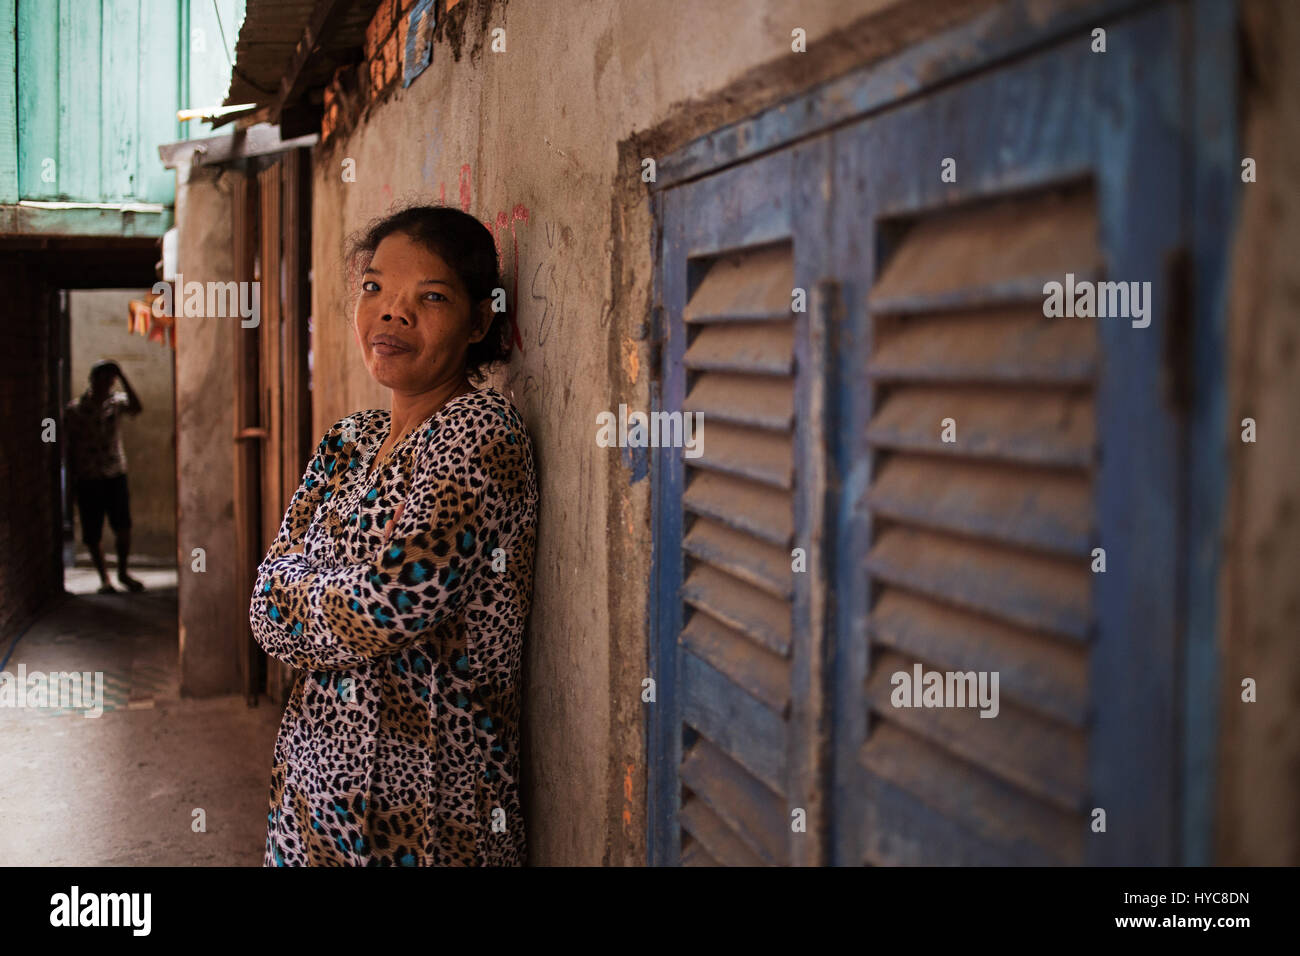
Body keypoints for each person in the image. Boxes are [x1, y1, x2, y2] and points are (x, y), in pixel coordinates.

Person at [249, 204, 539, 866]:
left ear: (478, 321)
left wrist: (311, 592)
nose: (391, 313)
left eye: (429, 297)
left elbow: (394, 604)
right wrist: (329, 599)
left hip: (429, 799)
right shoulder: (349, 441)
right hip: (314, 778)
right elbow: (264, 605)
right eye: (375, 288)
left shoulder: (480, 433)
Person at [64, 360, 146, 594]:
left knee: (123, 525)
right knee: (92, 531)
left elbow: (137, 407)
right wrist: (71, 482)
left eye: (111, 381)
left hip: (114, 473)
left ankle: (122, 571)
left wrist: (124, 377)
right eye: (105, 380)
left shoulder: (116, 403)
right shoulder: (76, 410)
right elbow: (69, 449)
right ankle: (104, 579)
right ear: (93, 380)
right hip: (88, 476)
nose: (108, 385)